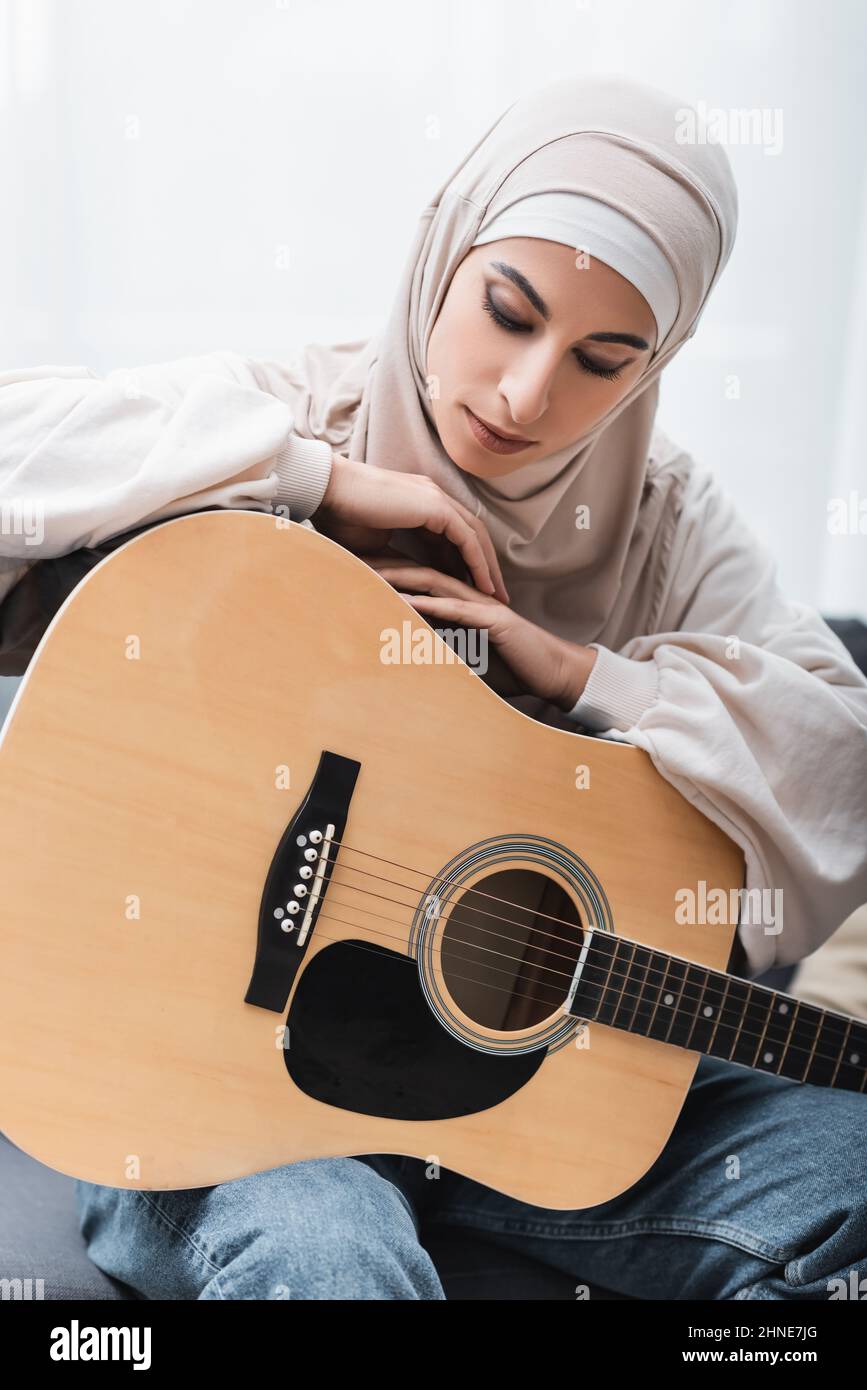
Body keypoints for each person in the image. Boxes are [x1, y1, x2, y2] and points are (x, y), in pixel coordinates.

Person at [2, 75, 866, 1301]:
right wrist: (317, 482)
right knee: (327, 1257)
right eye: (508, 312)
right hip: (217, 1093)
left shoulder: (667, 526)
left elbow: (844, 762)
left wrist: (586, 673)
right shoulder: (297, 414)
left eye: (602, 359)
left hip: (525, 1118)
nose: (525, 394)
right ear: (444, 250)